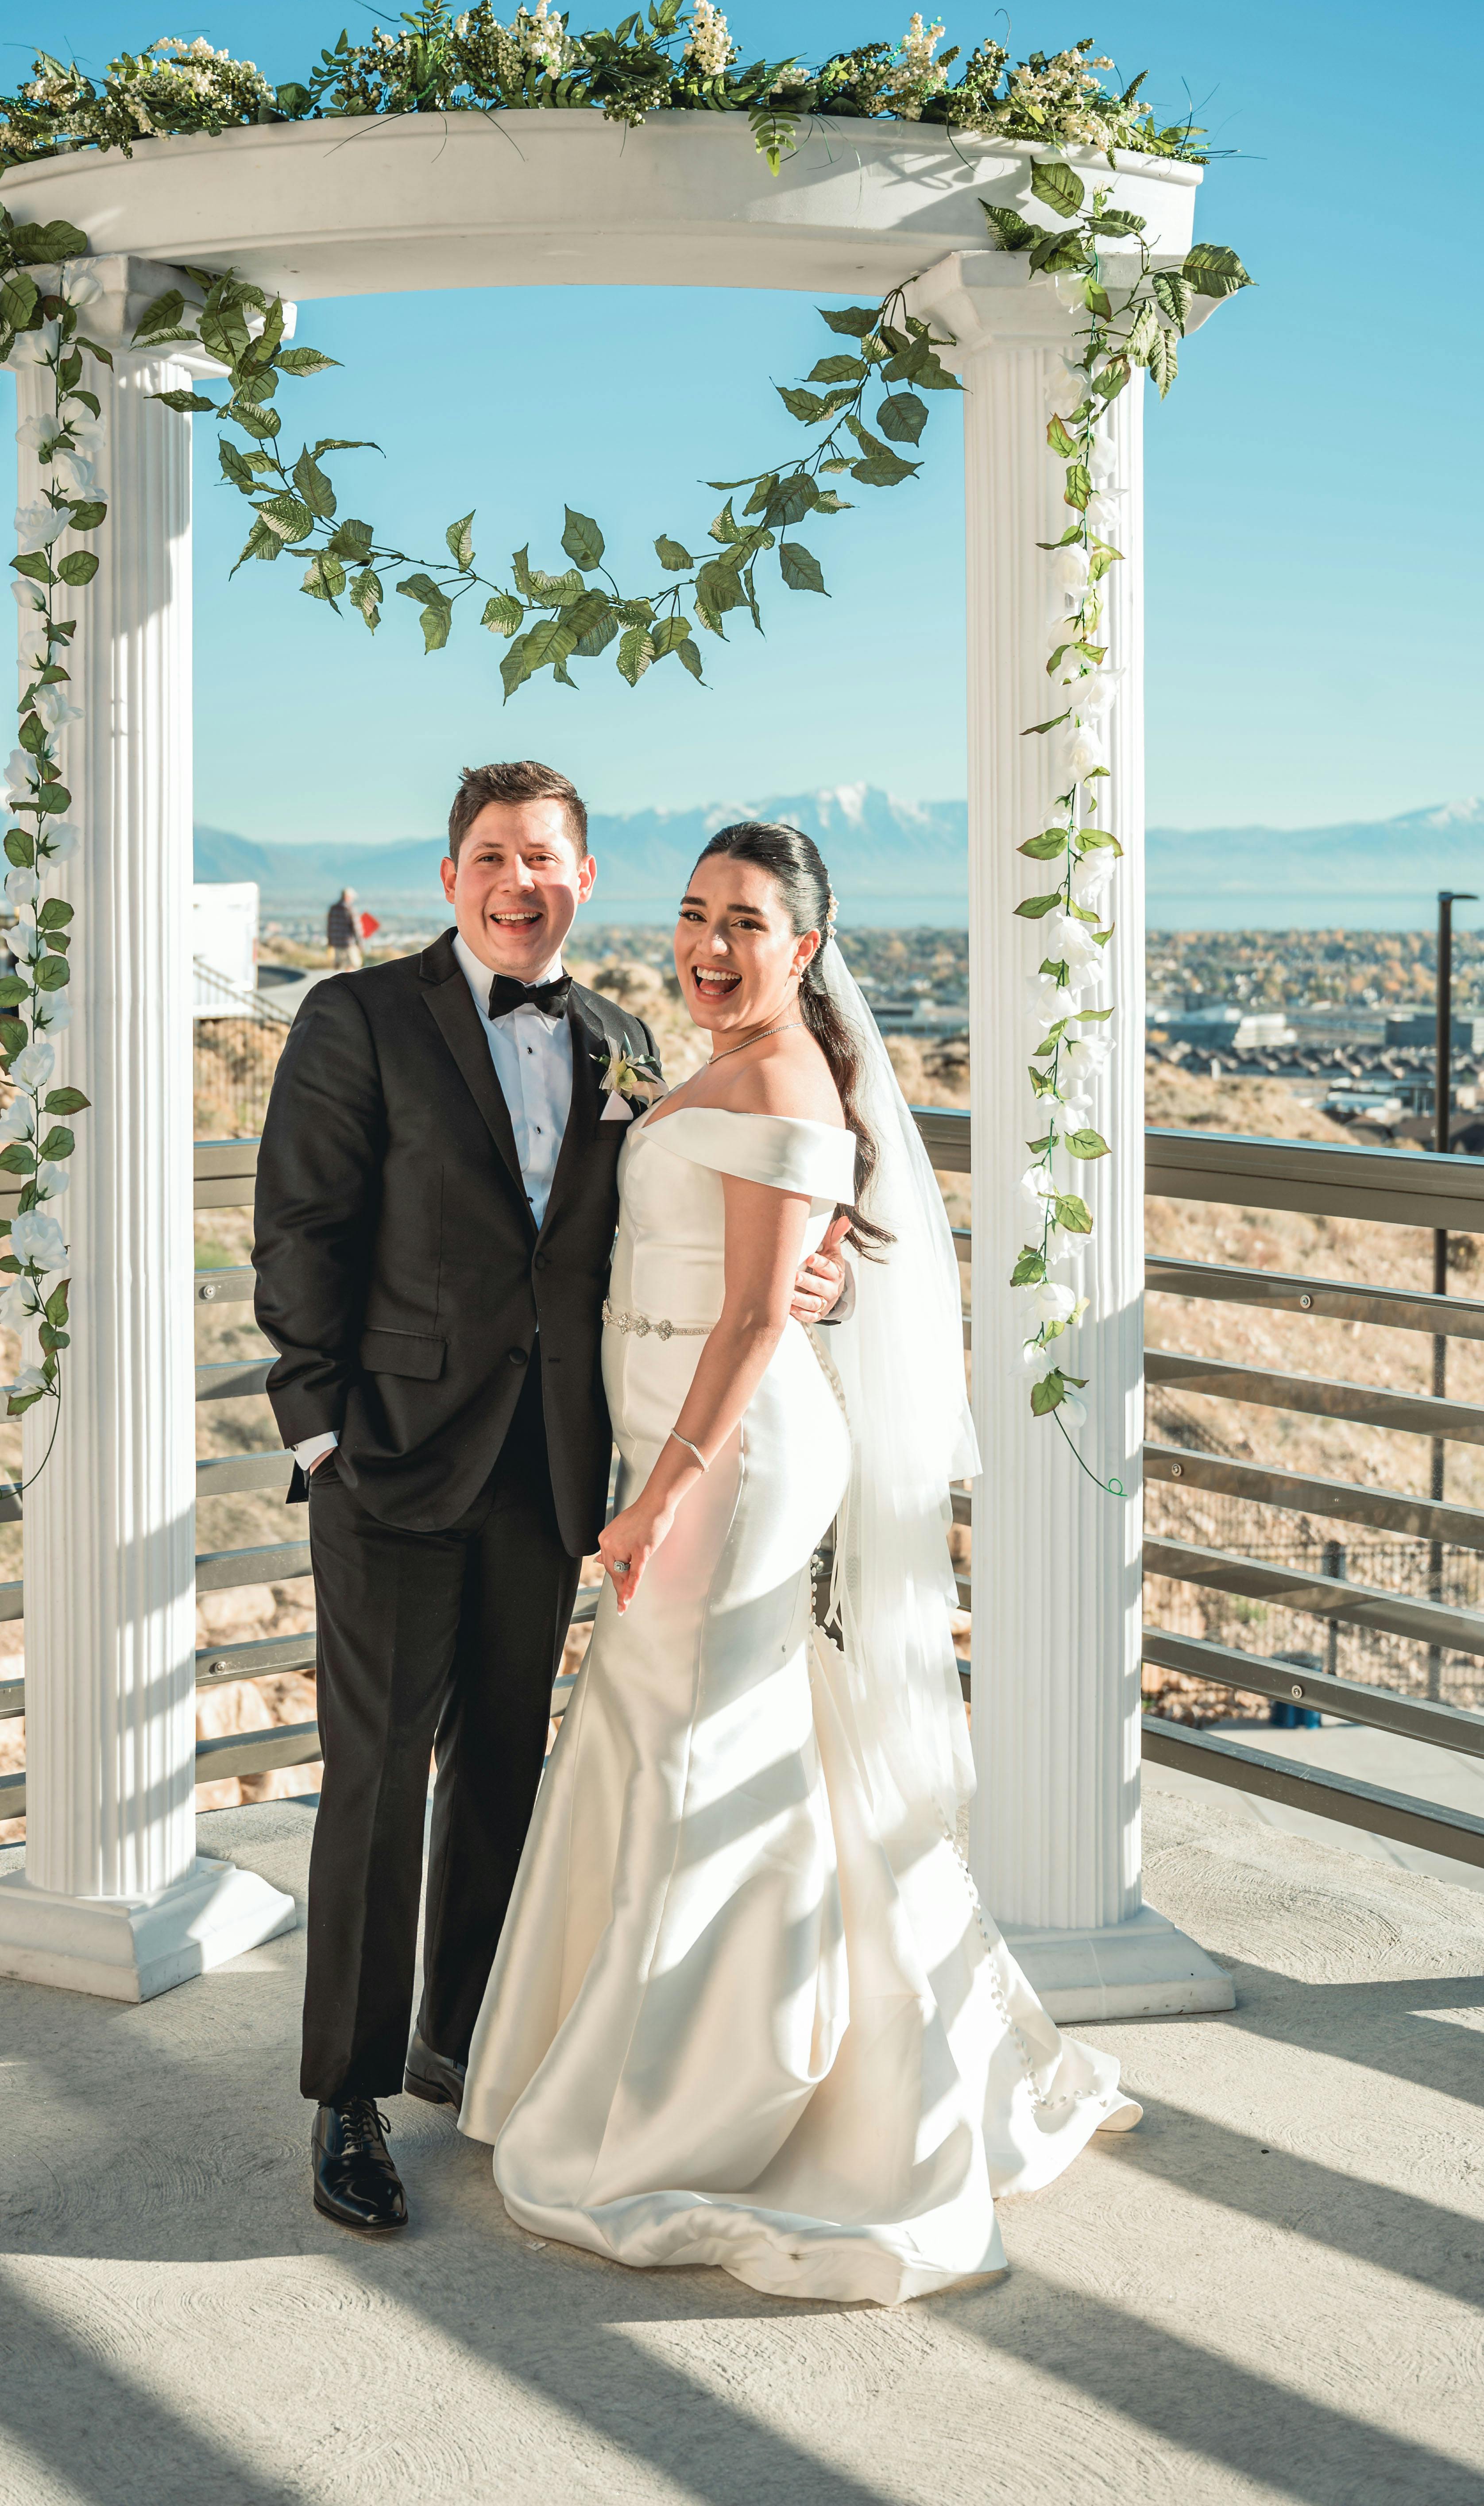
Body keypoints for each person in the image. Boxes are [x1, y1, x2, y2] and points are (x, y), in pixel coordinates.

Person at [460, 819, 1140, 2305]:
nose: (710, 944)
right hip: (686, 1445)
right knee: (688, 1735)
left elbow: (761, 1315)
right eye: (696, 912)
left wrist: (659, 1495)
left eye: (747, 923)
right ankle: (660, 2052)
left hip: (733, 1461)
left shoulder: (781, 1077)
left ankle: (694, 2098)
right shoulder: (717, 1063)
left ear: (807, 947)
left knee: (695, 1748)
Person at [251, 764, 849, 2237]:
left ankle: (467, 2038)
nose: (516, 883)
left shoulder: (624, 1042)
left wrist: (813, 1276)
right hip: (388, 1459)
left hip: (553, 1474)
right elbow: (300, 1229)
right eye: (490, 856)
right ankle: (349, 2094)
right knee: (376, 1779)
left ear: (584, 878)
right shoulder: (355, 1017)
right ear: (450, 875)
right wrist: (319, 1437)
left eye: (543, 859)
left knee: (504, 1769)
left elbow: (680, 1231)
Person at [325, 886, 364, 971]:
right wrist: (360, 943)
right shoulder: (350, 909)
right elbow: (356, 928)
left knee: (339, 967)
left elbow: (329, 926)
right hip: (349, 943)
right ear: (348, 897)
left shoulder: (333, 909)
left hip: (336, 943)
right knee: (353, 965)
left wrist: (330, 942)